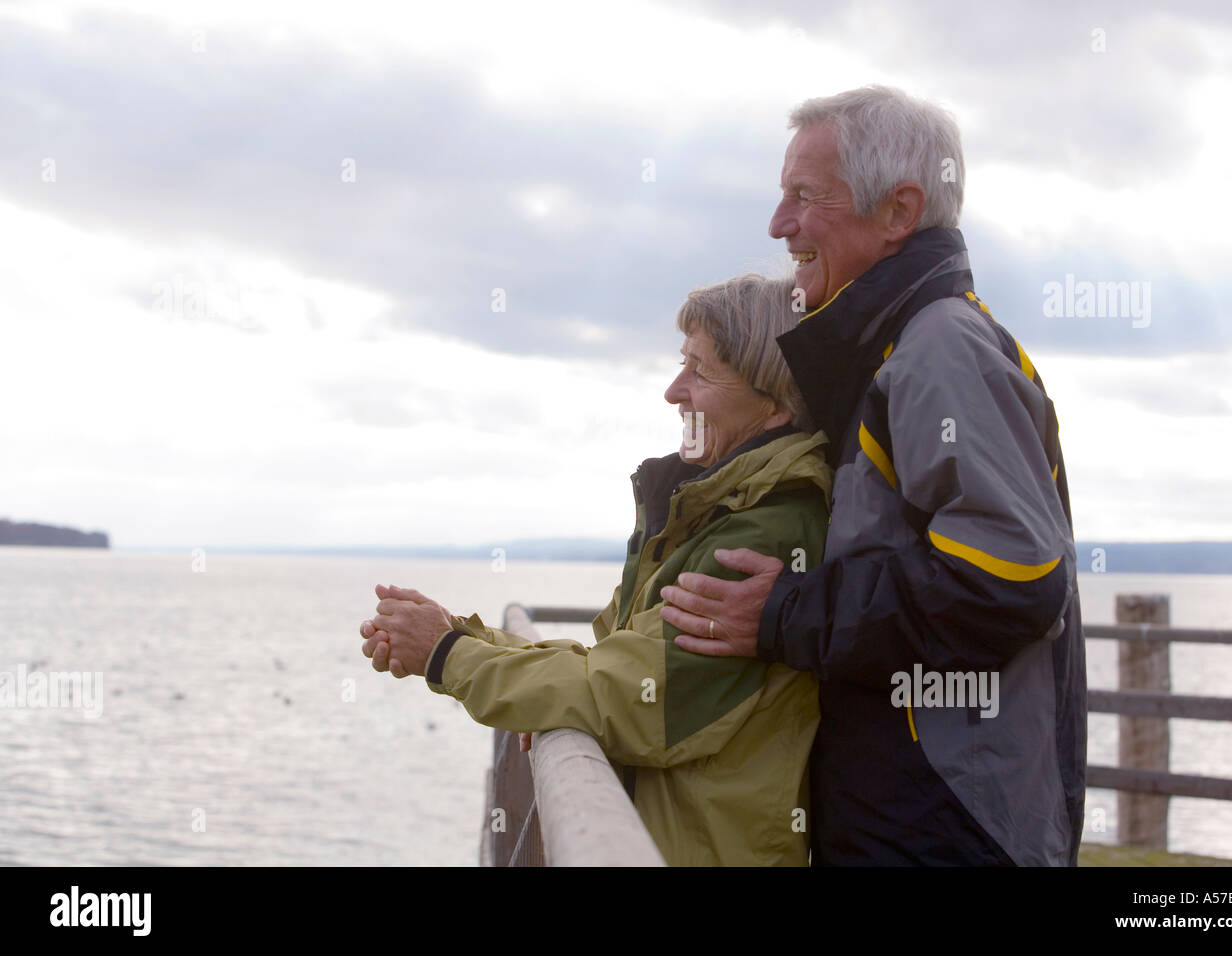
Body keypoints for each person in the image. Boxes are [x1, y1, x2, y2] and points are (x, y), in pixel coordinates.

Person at [659, 86, 1087, 866]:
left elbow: (1011, 579)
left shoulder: (940, 347)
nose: (778, 223)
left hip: (950, 828)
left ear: (898, 212)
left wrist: (788, 612)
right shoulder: (891, 350)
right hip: (913, 814)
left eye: (803, 196)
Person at [361, 275, 833, 866]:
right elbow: (612, 664)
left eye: (702, 371)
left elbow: (626, 698)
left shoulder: (765, 532)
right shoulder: (711, 514)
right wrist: (457, 634)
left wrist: (445, 654)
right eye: (681, 364)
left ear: (777, 404)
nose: (673, 391)